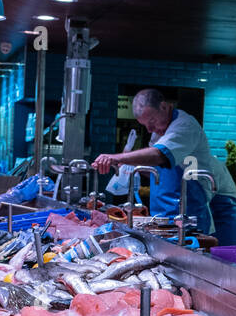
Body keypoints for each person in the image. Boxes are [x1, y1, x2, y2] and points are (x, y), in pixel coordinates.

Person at [92, 89, 215, 239]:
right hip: (163, 218)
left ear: (164, 106)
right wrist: (132, 169)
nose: (149, 129)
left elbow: (159, 155)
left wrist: (118, 158)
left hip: (188, 216)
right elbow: (157, 171)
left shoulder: (184, 125)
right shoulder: (160, 129)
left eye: (151, 121)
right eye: (145, 125)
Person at [207, 153, 236, 247]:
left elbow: (200, 205)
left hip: (229, 224)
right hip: (222, 222)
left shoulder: (207, 164)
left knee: (229, 259)